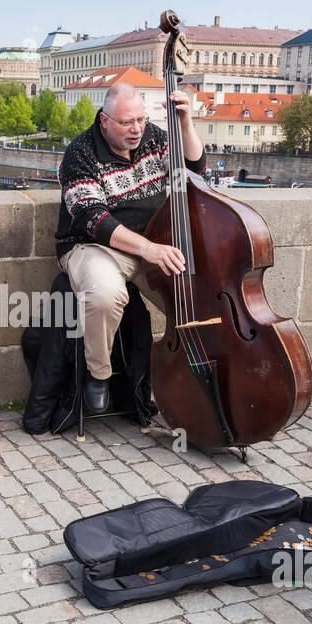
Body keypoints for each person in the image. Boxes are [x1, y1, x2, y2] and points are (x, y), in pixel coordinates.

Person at [55, 82, 205, 412]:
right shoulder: (80, 153)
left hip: (150, 245)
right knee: (106, 293)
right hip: (93, 247)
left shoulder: (152, 136)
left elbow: (192, 173)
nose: (137, 129)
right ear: (104, 120)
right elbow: (91, 218)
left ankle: (195, 378)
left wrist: (186, 125)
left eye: (140, 119)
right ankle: (100, 374)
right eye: (126, 123)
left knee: (194, 299)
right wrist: (149, 249)